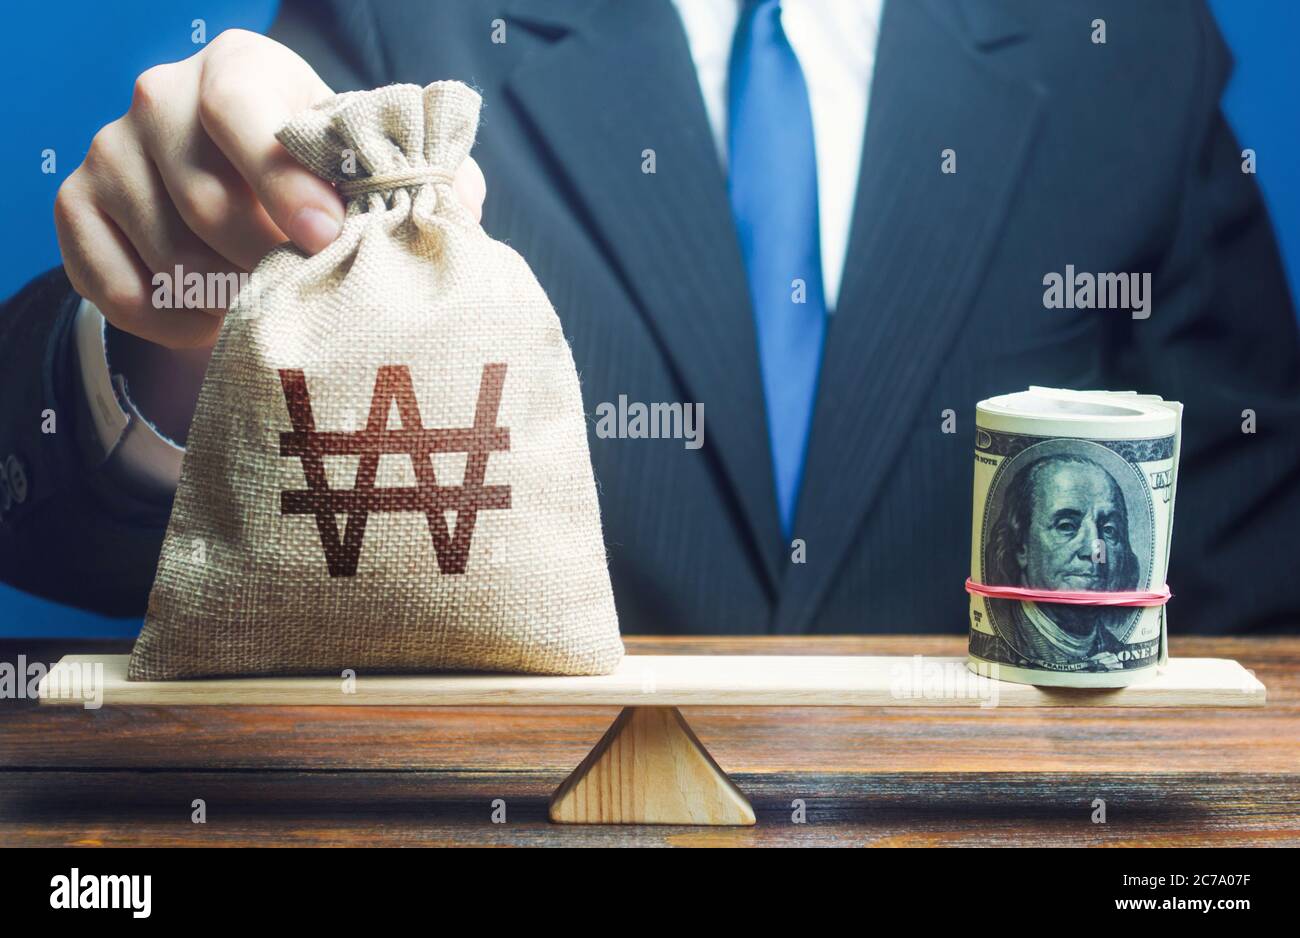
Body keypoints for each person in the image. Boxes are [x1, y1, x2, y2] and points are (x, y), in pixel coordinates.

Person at [2, 0, 1298, 637]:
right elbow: (79, 526)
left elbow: (1255, 587)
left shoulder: (1127, 46)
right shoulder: (415, 17)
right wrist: (169, 348)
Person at [987, 453, 1141, 670]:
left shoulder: (1120, 652)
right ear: (1021, 545)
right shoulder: (1007, 643)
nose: (1094, 551)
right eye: (1067, 526)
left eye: (1109, 530)